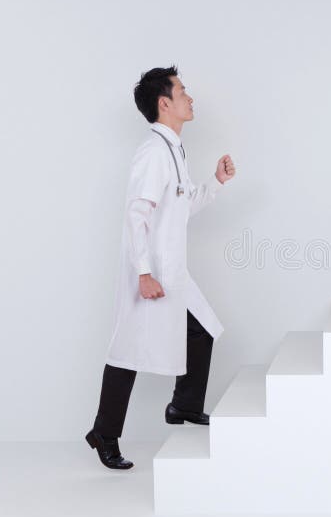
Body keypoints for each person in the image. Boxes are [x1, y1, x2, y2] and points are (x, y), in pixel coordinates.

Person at [85, 65, 236, 470]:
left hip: (172, 272)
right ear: (164, 103)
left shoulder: (173, 150)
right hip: (151, 272)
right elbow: (137, 214)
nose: (191, 98)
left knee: (202, 329)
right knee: (128, 349)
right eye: (183, 91)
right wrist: (143, 272)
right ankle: (104, 433)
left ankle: (183, 405)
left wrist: (216, 182)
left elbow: (181, 208)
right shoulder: (154, 152)